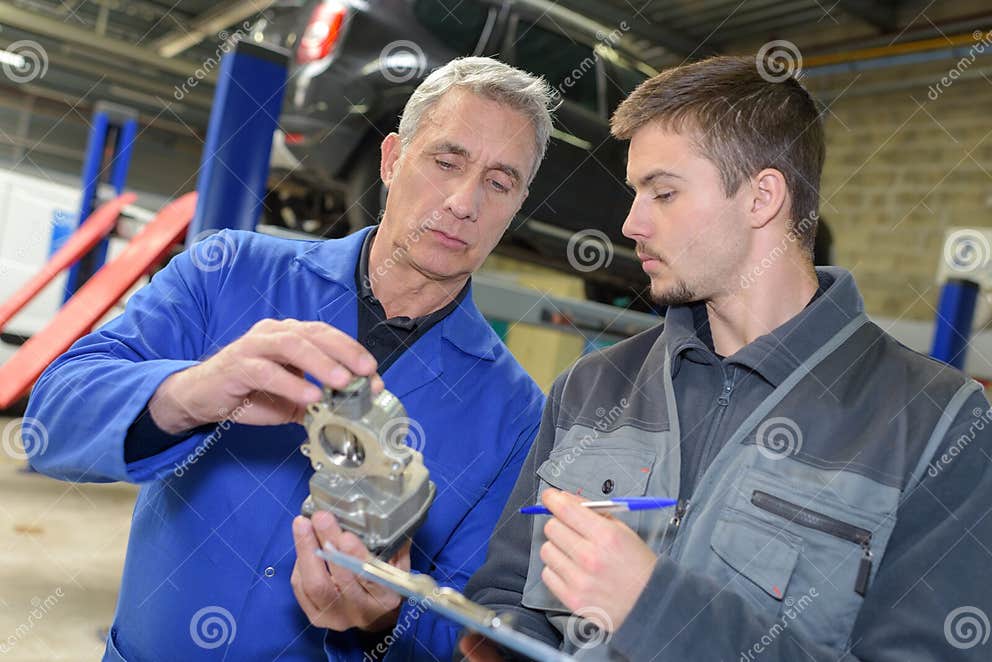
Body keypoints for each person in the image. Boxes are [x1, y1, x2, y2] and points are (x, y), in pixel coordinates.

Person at [460, 55, 992, 661]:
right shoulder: (593, 388)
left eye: (663, 192)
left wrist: (658, 609)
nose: (631, 223)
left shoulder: (935, 423)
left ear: (762, 197)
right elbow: (504, 596)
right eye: (636, 193)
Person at [26, 56, 555, 661]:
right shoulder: (226, 272)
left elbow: (472, 628)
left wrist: (381, 623)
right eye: (446, 161)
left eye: (499, 181)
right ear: (391, 159)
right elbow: (50, 421)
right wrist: (188, 393)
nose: (465, 201)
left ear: (517, 205)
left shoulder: (518, 418)